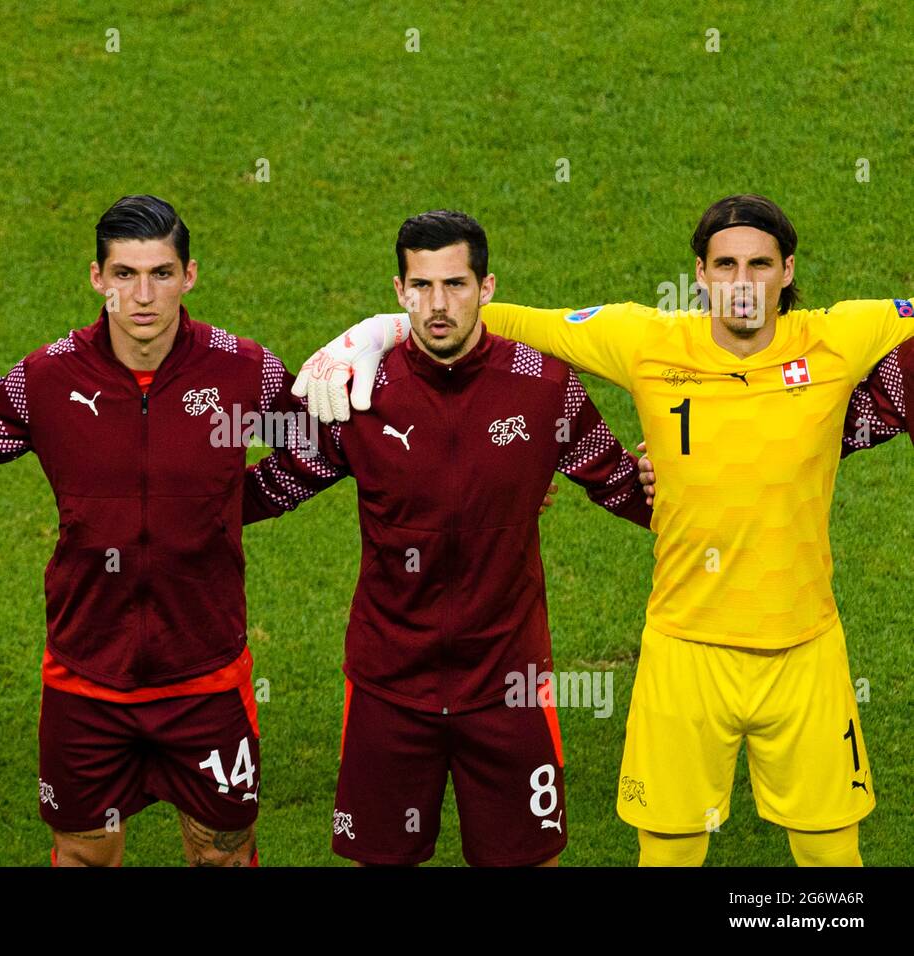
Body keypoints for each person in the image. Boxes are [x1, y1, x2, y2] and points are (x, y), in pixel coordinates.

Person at [294, 195, 914, 866]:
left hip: (808, 651)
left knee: (832, 859)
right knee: (668, 856)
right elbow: (503, 320)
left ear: (787, 271)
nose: (742, 284)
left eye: (760, 265)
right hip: (684, 651)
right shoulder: (642, 339)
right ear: (699, 275)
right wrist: (375, 332)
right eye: (725, 265)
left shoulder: (841, 335)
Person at [238, 210, 652, 866]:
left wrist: (680, 485)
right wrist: (163, 505)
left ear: (487, 288)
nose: (439, 304)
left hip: (509, 681)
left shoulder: (545, 388)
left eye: (456, 285)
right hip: (388, 684)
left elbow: (623, 489)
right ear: (399, 292)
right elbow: (274, 487)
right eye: (422, 286)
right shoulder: (359, 393)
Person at [0, 195, 308, 866]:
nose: (143, 294)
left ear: (190, 275)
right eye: (125, 274)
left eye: (160, 273)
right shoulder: (48, 379)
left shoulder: (241, 372)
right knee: (84, 855)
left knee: (225, 856)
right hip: (86, 676)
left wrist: (230, 505)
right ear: (97, 279)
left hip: (205, 677)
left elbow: (319, 444)